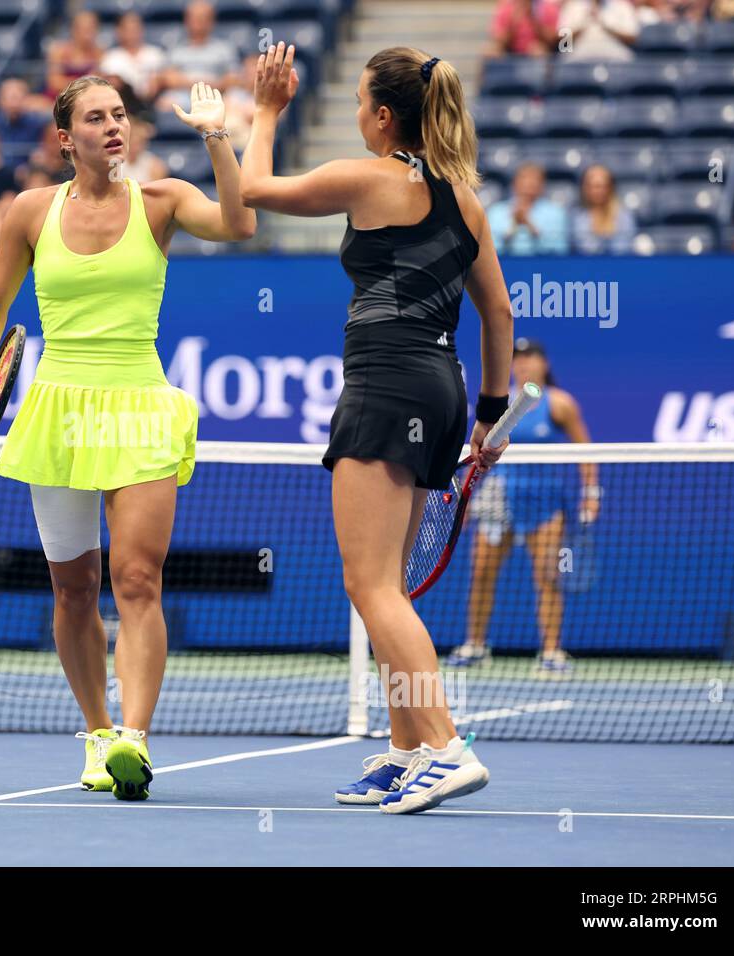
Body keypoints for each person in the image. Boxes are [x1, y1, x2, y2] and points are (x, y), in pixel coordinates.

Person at [0, 75, 255, 801]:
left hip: (140, 405)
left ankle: (135, 741)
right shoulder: (29, 211)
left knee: (139, 579)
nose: (113, 126)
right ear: (66, 138)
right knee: (73, 587)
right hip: (59, 410)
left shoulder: (164, 201)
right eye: (96, 117)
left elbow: (241, 224)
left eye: (120, 114)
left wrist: (217, 134)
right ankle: (96, 730)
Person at [240, 44, 512, 814]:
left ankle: (449, 746)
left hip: (386, 385)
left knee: (368, 585)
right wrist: (489, 416)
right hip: (443, 387)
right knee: (385, 587)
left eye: (361, 102)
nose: (356, 114)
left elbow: (254, 188)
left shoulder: (371, 178)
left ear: (385, 117)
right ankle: (405, 748)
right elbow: (498, 313)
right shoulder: (465, 199)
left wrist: (266, 109)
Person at [448, 339, 599, 675]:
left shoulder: (560, 404)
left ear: (544, 364)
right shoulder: (498, 404)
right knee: (481, 573)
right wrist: (470, 499)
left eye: (531, 358)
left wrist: (592, 493)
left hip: (545, 504)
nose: (524, 364)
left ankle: (551, 652)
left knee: (547, 577)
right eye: (519, 359)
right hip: (500, 497)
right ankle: (475, 645)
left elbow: (584, 450)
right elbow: (480, 451)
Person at [487, 162, 570, 255]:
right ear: (513, 184)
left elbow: (560, 249)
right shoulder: (496, 211)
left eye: (534, 179)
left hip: (543, 266)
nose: (529, 183)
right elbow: (489, 249)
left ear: (543, 186)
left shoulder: (556, 212)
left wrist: (530, 225)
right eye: (524, 178)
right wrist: (513, 226)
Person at [572, 163, 636, 254]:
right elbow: (586, 249)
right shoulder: (576, 217)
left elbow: (622, 250)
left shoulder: (625, 216)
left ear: (611, 187)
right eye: (593, 186)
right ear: (585, 188)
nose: (598, 191)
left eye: (602, 186)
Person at [46, 11, 104, 98]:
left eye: (92, 28)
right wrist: (87, 82)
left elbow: (102, 84)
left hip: (89, 98)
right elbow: (54, 83)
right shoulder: (59, 51)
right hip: (59, 98)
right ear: (73, 30)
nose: (88, 34)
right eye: (84, 29)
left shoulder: (100, 53)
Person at [485, 0, 562, 58]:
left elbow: (553, 39)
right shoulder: (506, 7)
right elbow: (499, 40)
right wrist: (514, 21)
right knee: (489, 52)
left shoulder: (547, 8)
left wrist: (534, 19)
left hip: (536, 50)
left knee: (538, 50)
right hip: (509, 50)